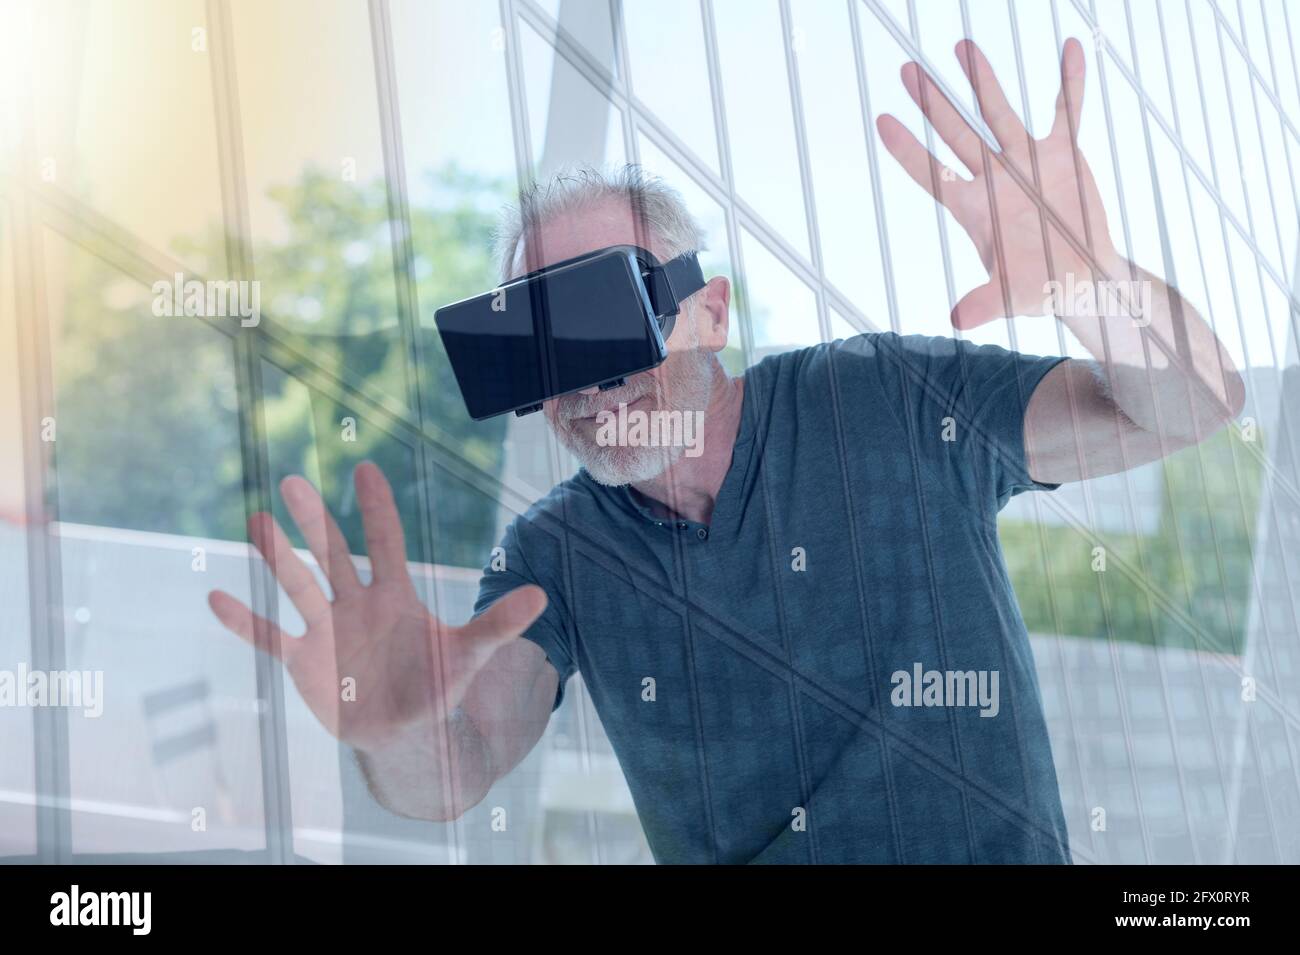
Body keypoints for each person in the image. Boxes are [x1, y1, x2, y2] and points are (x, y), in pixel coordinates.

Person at [208, 39, 1244, 863]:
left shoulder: (882, 397)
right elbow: (460, 759)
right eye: (541, 341)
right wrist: (389, 723)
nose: (585, 379)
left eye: (608, 311)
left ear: (709, 311)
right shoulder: (556, 556)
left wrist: (1092, 284)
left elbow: (1185, 407)